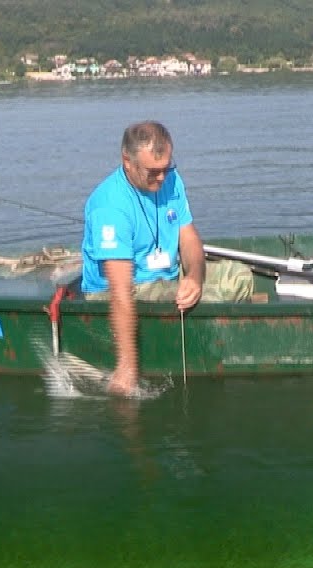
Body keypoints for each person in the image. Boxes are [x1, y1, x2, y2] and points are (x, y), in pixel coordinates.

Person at [80, 121, 254, 396]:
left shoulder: (170, 179)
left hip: (166, 274)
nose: (161, 179)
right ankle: (206, 355)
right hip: (124, 288)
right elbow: (120, 292)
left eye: (166, 168)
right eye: (153, 172)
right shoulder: (110, 207)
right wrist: (127, 367)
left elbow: (188, 238)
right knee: (215, 298)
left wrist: (195, 278)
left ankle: (222, 343)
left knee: (240, 276)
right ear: (127, 161)